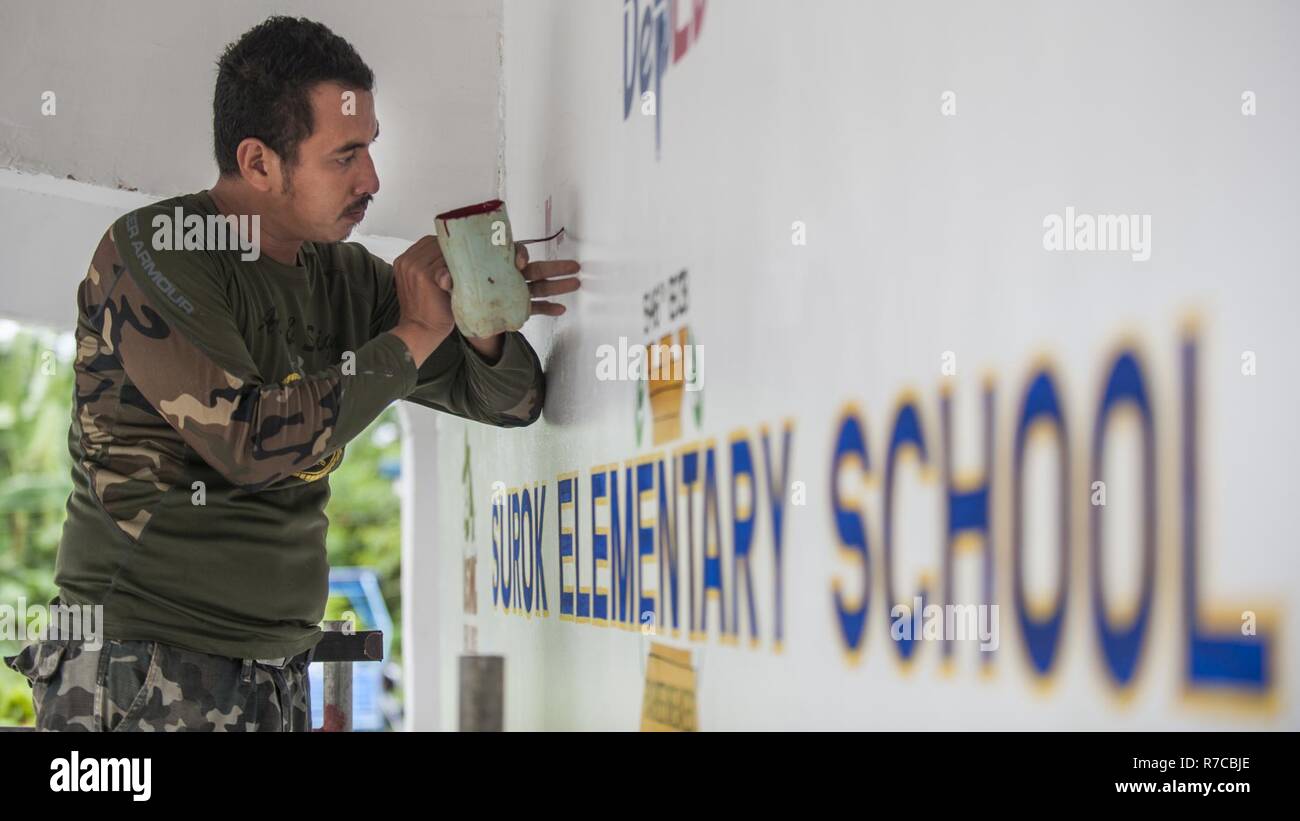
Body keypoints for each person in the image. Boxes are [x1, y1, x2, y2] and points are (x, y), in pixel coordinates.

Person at [3, 15, 580, 731]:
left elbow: (512, 401)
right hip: (140, 666)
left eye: (371, 147)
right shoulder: (152, 252)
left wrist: (483, 322)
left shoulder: (345, 278)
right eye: (345, 156)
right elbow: (250, 444)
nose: (372, 177)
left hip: (276, 670)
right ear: (258, 163)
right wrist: (419, 330)